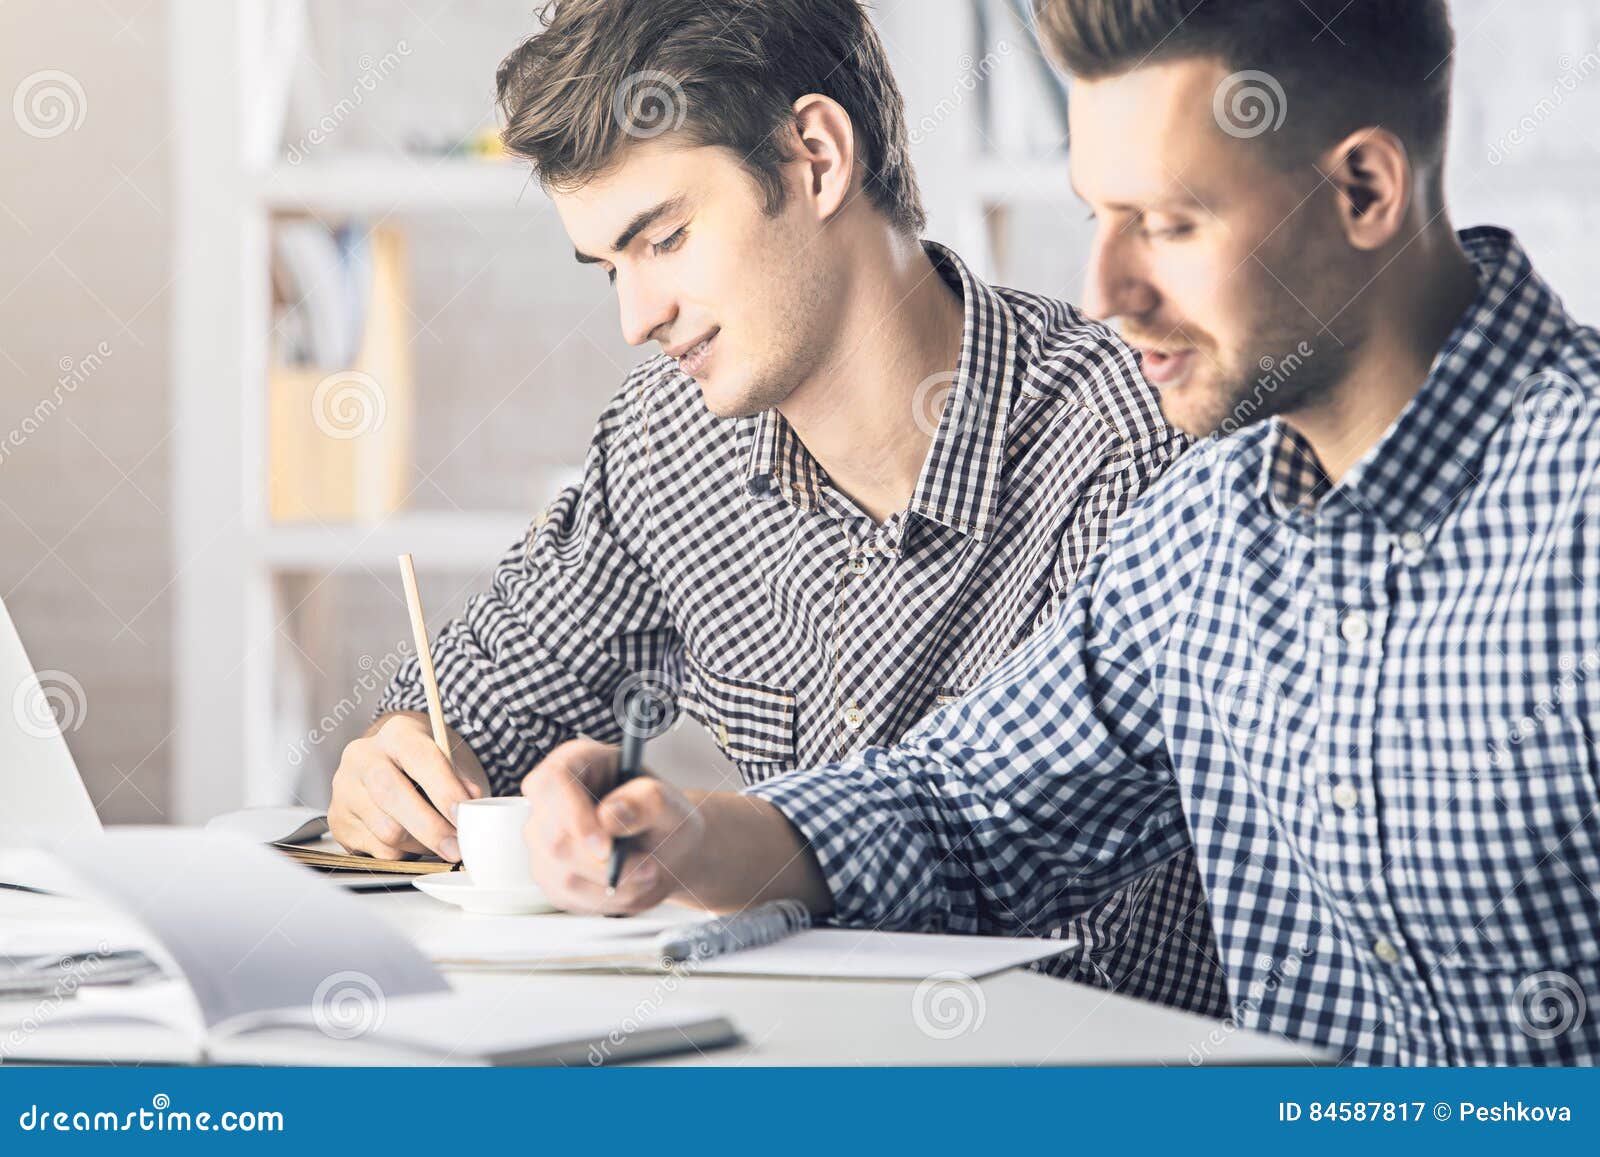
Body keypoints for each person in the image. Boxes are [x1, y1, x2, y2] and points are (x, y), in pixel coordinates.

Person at [519, 0, 1600, 1065]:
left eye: (1170, 225)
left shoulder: (1575, 504)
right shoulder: (1208, 523)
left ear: (1362, 189)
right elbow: (965, 807)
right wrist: (694, 835)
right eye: (1099, 218)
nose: (1104, 292)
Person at [330, 0, 1226, 1017]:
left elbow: (1000, 824)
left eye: (663, 238)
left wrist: (716, 836)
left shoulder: (1140, 440)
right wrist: (409, 748)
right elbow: (493, 695)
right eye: (609, 268)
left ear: (814, 157)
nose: (635, 318)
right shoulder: (670, 441)